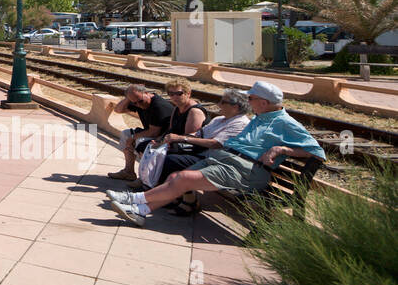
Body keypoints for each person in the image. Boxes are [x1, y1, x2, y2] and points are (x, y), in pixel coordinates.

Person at [106, 80, 325, 226]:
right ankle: (141, 211)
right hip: (227, 161)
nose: (247, 103)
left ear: (264, 102)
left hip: (247, 170)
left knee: (183, 177)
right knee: (175, 177)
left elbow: (316, 151)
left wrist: (282, 148)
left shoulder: (285, 122)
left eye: (250, 99)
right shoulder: (261, 116)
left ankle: (133, 199)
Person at [108, 84, 175, 182]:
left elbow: (154, 132)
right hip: (154, 133)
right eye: (135, 103)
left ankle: (145, 177)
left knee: (139, 141)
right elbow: (118, 109)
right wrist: (129, 98)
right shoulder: (137, 101)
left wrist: (133, 138)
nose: (139, 105)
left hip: (163, 137)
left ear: (147, 93)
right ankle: (129, 172)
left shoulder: (158, 106)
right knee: (125, 134)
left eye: (140, 101)